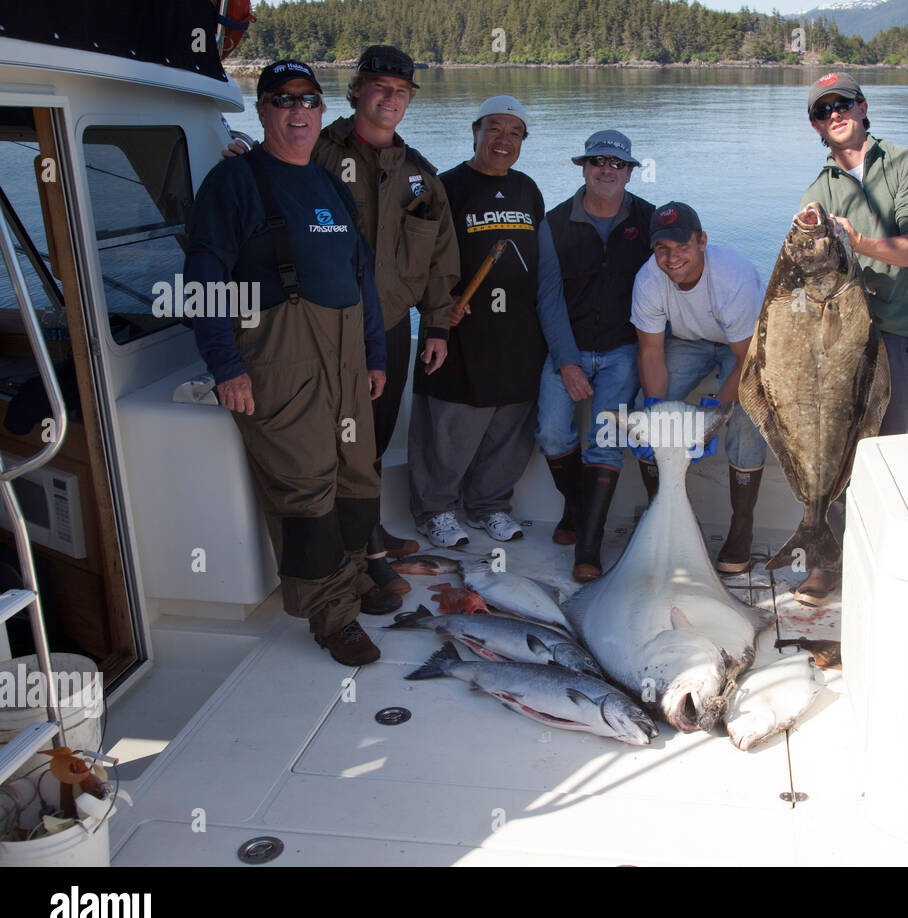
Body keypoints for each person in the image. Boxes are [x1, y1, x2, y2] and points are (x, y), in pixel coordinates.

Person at [225, 46, 459, 599]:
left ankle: (367, 534)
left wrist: (440, 326)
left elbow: (441, 260)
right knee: (320, 447)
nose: (389, 99)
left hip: (389, 329)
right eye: (379, 87)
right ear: (355, 91)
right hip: (315, 330)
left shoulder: (422, 177)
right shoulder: (317, 156)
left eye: (400, 91)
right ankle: (348, 558)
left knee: (369, 439)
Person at [186, 60, 392, 666]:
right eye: (283, 100)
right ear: (263, 111)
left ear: (322, 111)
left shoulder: (330, 183)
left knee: (358, 474)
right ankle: (331, 616)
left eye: (308, 99)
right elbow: (204, 278)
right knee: (304, 487)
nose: (298, 111)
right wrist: (226, 364)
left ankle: (353, 579)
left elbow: (362, 276)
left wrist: (375, 355)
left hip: (348, 355)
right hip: (279, 358)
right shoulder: (234, 182)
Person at [797, 71, 908, 605]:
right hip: (839, 345)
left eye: (843, 103)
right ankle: (824, 562)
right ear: (816, 126)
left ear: (862, 107)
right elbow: (805, 273)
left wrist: (857, 242)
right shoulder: (817, 191)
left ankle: (894, 568)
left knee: (899, 459)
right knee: (831, 456)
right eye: (823, 109)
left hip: (898, 336)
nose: (835, 113)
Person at [408, 95, 565, 547]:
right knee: (450, 428)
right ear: (475, 131)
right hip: (461, 331)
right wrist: (441, 303)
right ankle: (434, 510)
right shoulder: (444, 186)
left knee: (509, 429)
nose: (504, 139)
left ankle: (487, 506)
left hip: (518, 331)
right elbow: (420, 257)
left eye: (515, 132)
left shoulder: (527, 189)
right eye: (494, 128)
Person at [536, 130, 653, 581]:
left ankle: (588, 544)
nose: (607, 170)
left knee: (605, 439)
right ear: (583, 167)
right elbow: (547, 298)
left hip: (624, 349)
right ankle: (578, 508)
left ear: (629, 171)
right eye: (598, 161)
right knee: (550, 431)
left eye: (617, 163)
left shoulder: (647, 220)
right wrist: (567, 362)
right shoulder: (554, 222)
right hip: (567, 346)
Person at [630, 201, 767, 575]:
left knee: (745, 418)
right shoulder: (648, 280)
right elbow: (652, 353)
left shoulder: (732, 277)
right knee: (647, 418)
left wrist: (710, 417)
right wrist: (657, 410)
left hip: (742, 345)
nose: (672, 258)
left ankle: (741, 531)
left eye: (682, 246)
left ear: (702, 241)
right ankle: (664, 516)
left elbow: (749, 362)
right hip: (689, 341)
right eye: (662, 249)